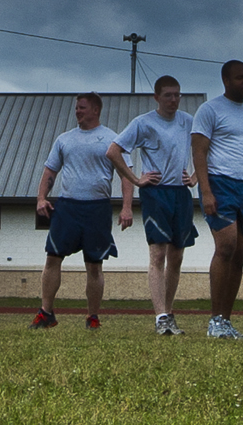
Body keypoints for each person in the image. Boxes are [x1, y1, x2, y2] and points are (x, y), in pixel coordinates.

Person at [31, 92, 127, 328]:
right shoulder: (64, 139)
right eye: (76, 108)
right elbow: (50, 171)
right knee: (53, 258)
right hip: (67, 207)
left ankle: (92, 317)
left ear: (96, 110)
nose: (78, 111)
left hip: (97, 208)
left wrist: (126, 208)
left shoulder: (111, 139)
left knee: (94, 264)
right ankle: (46, 313)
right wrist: (41, 198)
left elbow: (126, 175)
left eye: (82, 107)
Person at [190, 61, 243, 340]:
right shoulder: (209, 110)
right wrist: (206, 191)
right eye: (240, 78)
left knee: (240, 254)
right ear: (226, 80)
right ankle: (214, 320)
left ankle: (226, 320)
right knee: (226, 246)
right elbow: (199, 152)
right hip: (219, 184)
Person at [114, 76, 197, 334]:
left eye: (177, 95)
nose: (173, 100)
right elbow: (113, 151)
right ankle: (160, 316)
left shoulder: (187, 121)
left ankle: (168, 313)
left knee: (177, 256)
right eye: (168, 95)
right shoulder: (143, 123)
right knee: (158, 254)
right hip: (156, 193)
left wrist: (195, 177)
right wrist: (136, 179)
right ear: (157, 97)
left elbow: (207, 147)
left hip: (180, 193)